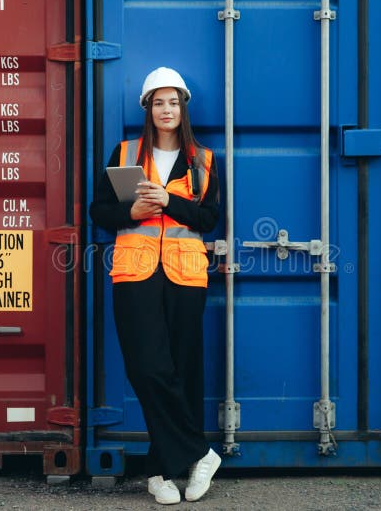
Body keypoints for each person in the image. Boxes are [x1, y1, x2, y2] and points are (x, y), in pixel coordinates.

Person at [89, 67, 222, 504]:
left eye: (174, 101)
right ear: (148, 109)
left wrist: (170, 202)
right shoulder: (126, 154)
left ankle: (162, 472)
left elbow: (209, 220)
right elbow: (99, 213)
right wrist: (134, 213)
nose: (167, 109)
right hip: (136, 272)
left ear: (184, 107)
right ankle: (202, 453)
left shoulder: (203, 160)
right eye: (158, 102)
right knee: (147, 367)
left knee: (182, 371)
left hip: (186, 275)